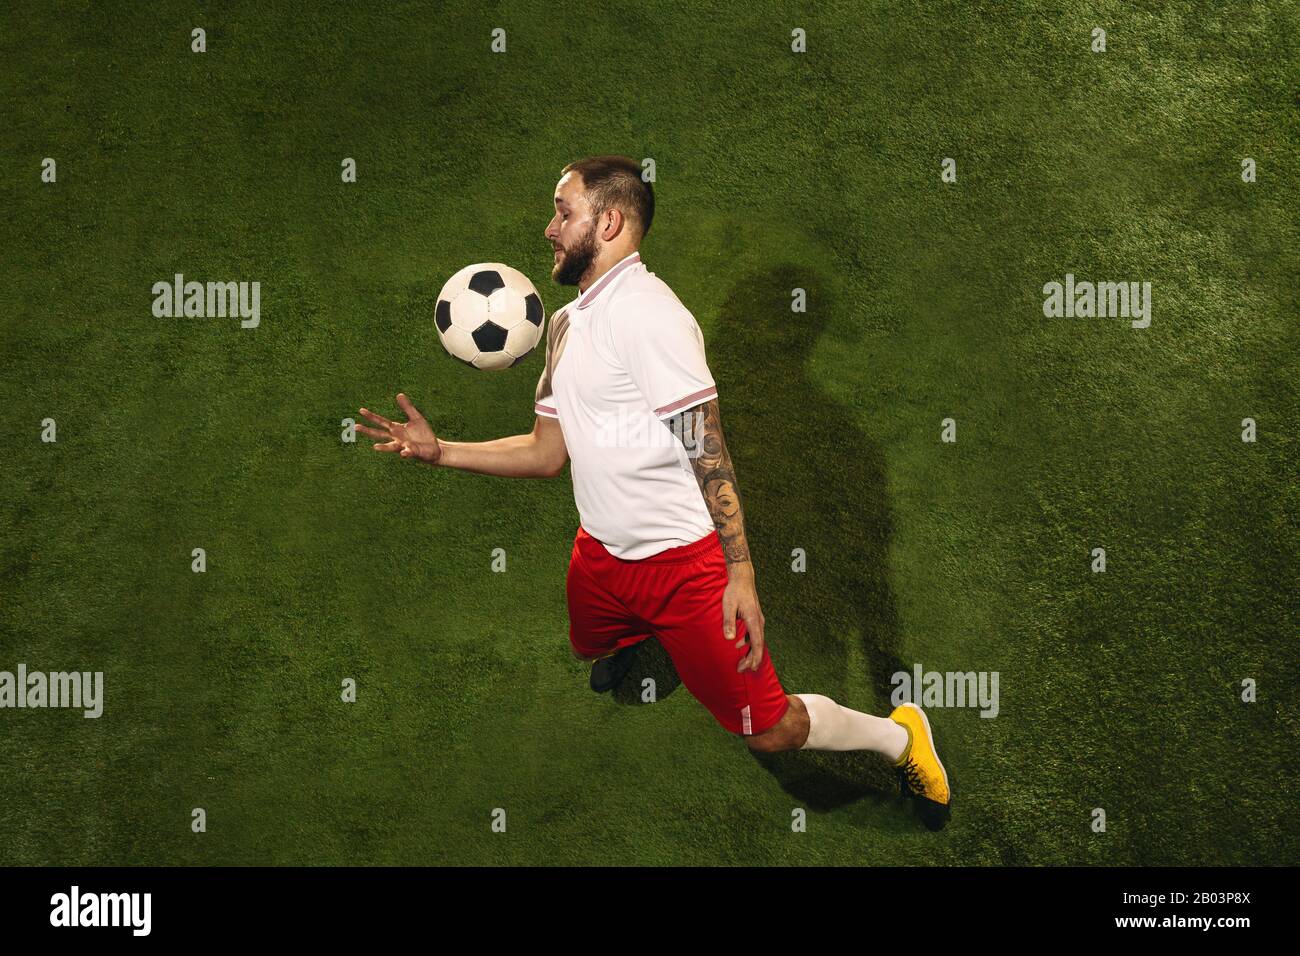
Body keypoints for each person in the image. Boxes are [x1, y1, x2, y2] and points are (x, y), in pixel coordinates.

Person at [357, 156, 951, 830]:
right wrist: (442, 453)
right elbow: (549, 452)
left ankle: (900, 736)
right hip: (602, 555)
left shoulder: (650, 318)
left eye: (563, 211)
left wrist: (742, 573)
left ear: (607, 221)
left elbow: (708, 448)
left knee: (769, 727)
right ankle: (652, 639)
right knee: (591, 645)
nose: (549, 228)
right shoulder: (566, 323)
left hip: (685, 571)